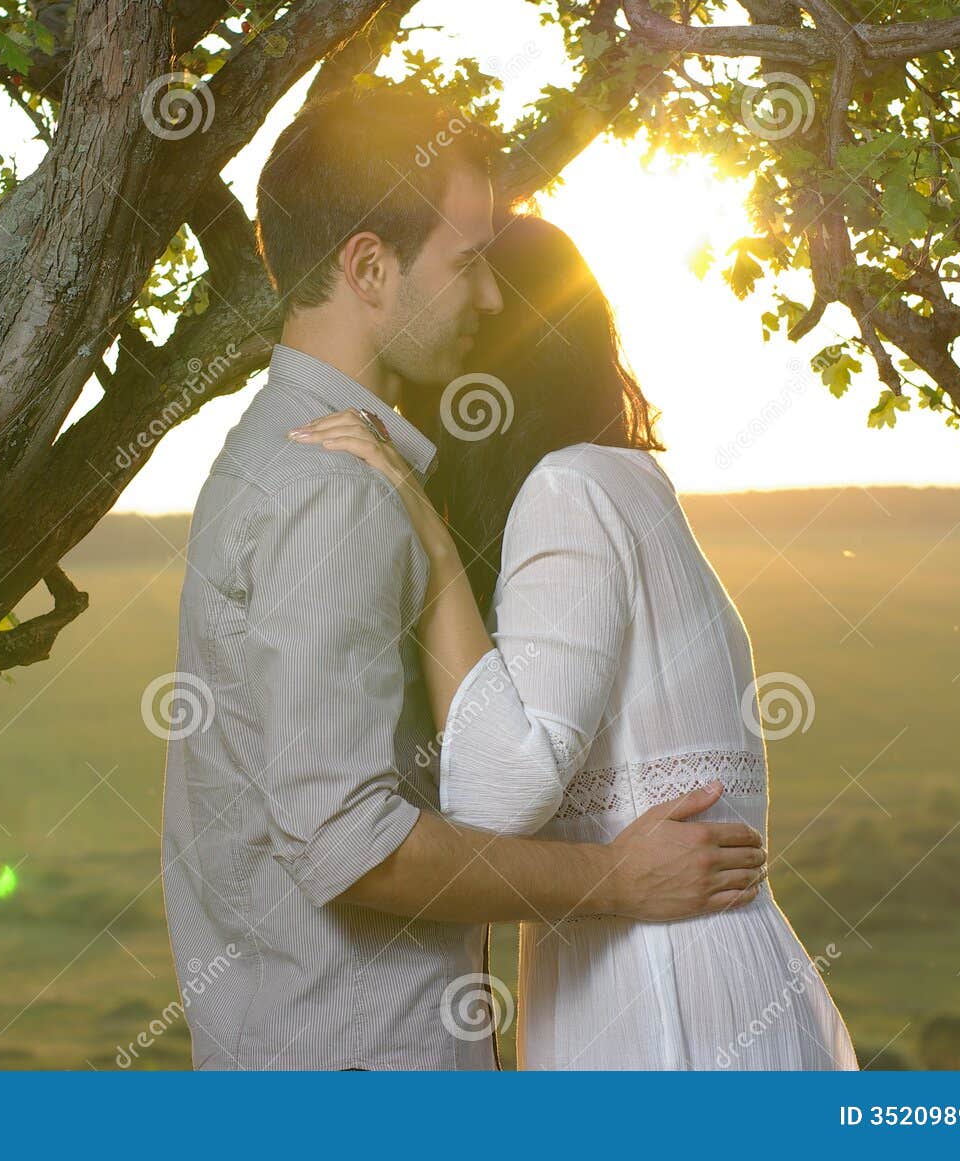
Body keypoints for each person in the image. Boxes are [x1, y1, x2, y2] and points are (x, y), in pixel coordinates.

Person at [159, 88, 767, 1071]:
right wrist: (617, 878)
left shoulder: (289, 455)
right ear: (367, 267)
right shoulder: (338, 487)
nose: (490, 300)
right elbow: (351, 840)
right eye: (469, 262)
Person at [289, 209, 857, 1069]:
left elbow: (497, 794)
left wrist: (435, 548)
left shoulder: (569, 490)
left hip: (660, 1002)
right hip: (691, 978)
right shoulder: (622, 478)